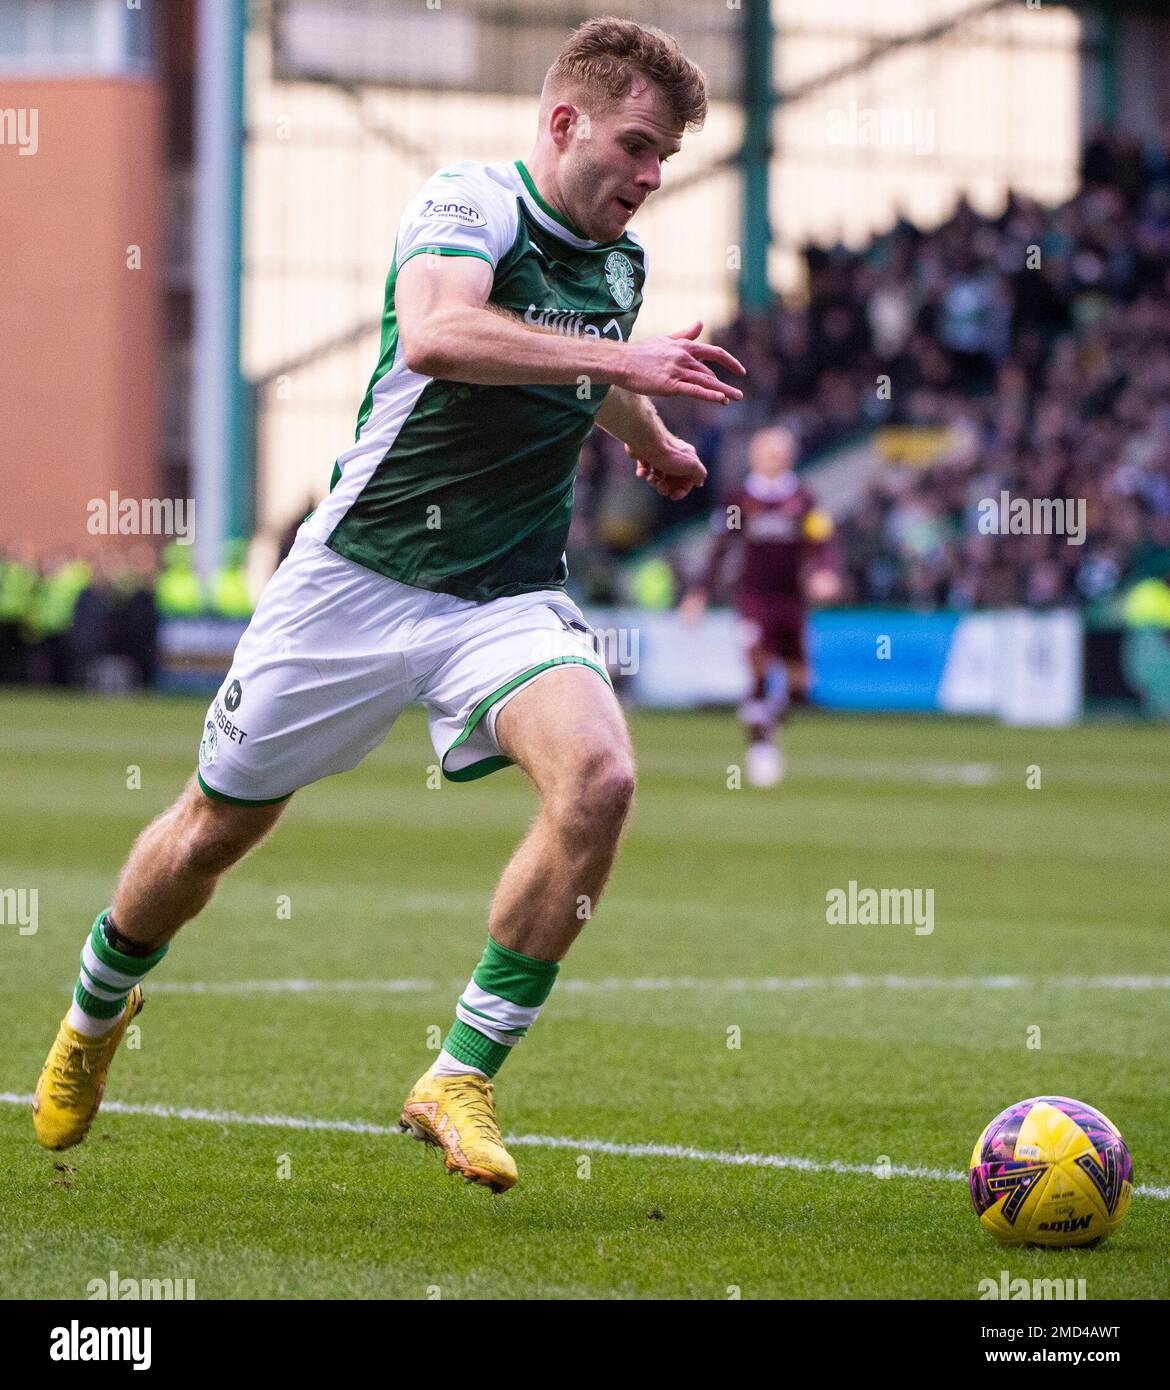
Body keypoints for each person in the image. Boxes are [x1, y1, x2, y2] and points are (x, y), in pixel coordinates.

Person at [32, 17, 745, 1194]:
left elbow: (581, 360)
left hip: (503, 593)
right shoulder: (471, 202)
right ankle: (96, 1011)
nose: (653, 176)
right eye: (637, 145)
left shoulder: (621, 263)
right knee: (215, 831)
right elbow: (440, 333)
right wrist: (627, 370)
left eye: (666, 156)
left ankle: (459, 1072)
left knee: (601, 780)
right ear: (563, 122)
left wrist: (653, 437)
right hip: (353, 586)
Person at [681, 425, 837, 786]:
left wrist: (825, 572)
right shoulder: (739, 500)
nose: (776, 456)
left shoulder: (803, 498)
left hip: (792, 601)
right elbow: (719, 549)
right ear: (755, 455)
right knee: (760, 666)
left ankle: (765, 720)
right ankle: (760, 749)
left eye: (782, 450)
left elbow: (822, 541)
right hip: (753, 599)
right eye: (770, 450)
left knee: (799, 685)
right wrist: (699, 592)